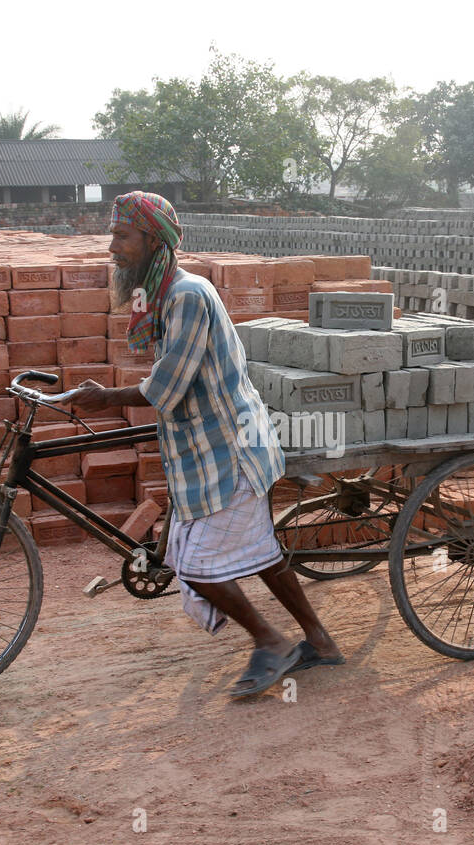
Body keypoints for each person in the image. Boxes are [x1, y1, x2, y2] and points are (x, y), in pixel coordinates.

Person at [65, 191, 343, 696]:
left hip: (231, 449)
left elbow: (167, 387)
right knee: (261, 552)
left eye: (122, 236)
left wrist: (104, 397)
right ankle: (320, 641)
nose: (112, 247)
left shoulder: (188, 296)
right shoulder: (166, 294)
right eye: (113, 235)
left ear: (152, 240)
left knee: (192, 565)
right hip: (203, 450)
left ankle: (270, 640)